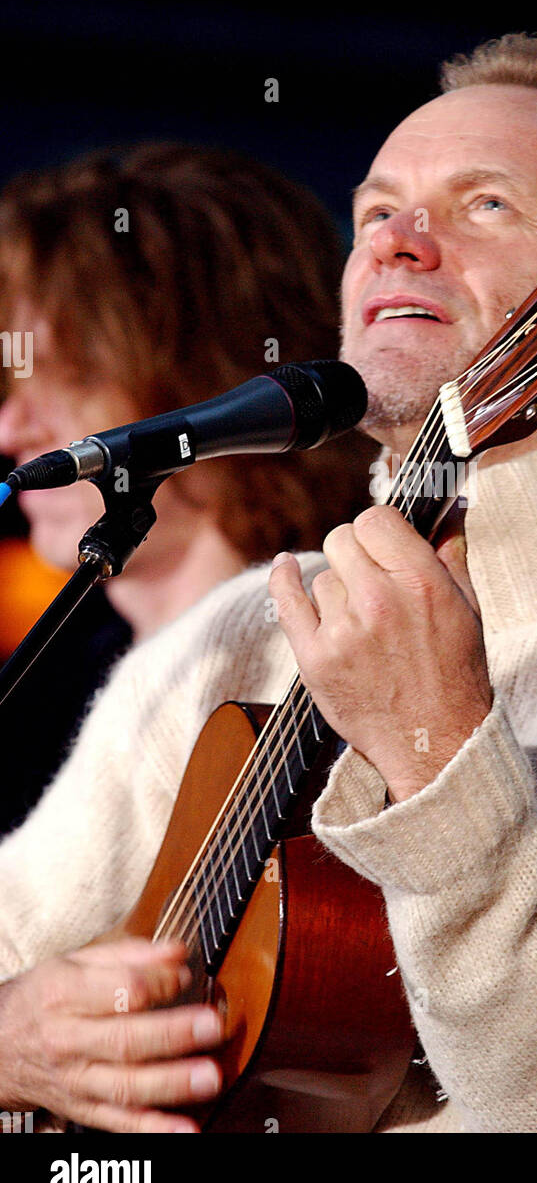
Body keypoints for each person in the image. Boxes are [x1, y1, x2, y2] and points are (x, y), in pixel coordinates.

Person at [0, 34, 537, 1134]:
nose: (399, 241)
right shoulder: (242, 628)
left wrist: (440, 748)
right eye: (375, 212)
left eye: (484, 204)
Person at [0, 143, 372, 831]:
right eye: (12, 385)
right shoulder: (39, 695)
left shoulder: (364, 664)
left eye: (73, 375)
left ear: (218, 380)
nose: (9, 429)